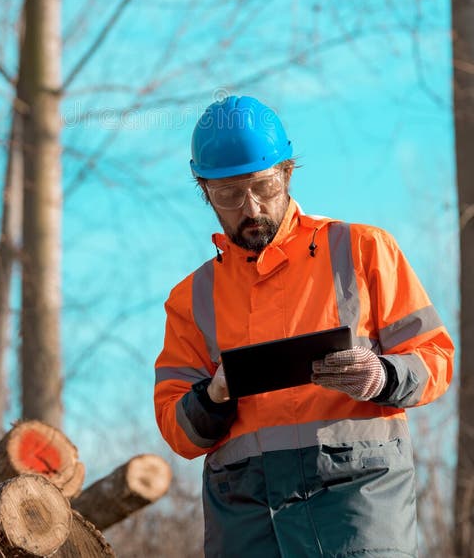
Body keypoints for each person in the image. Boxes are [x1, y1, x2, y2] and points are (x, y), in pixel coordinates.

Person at [154, 95, 454, 557]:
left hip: (358, 508)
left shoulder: (363, 250)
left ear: (287, 173)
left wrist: (382, 376)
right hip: (247, 520)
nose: (251, 208)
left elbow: (436, 358)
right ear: (205, 192)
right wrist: (212, 396)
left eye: (263, 186)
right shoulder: (190, 299)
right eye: (229, 195)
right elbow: (177, 429)